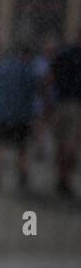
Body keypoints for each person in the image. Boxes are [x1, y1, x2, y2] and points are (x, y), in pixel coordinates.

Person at [0, 43, 40, 192]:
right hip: (20, 115)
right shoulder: (27, 70)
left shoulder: (0, 68)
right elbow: (33, 91)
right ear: (26, 55)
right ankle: (22, 174)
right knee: (21, 146)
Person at [49, 32, 81, 198]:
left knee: (60, 143)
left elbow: (50, 77)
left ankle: (60, 177)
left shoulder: (62, 54)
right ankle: (66, 179)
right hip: (76, 105)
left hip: (60, 103)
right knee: (72, 144)